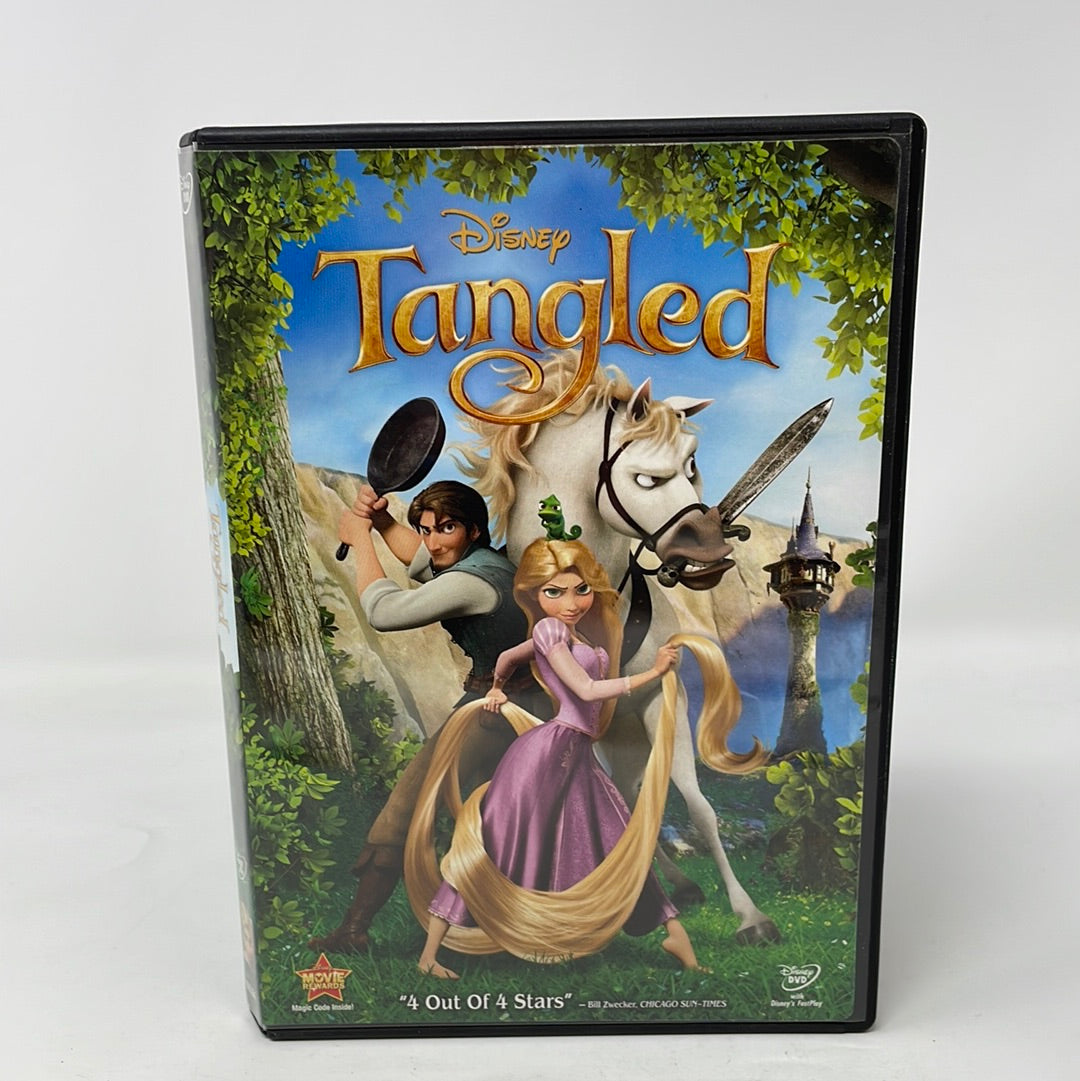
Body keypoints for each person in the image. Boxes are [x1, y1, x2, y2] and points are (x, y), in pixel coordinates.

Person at [410, 539, 708, 978]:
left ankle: (672, 933)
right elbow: (585, 691)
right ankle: (430, 954)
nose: (571, 603)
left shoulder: (571, 635)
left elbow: (508, 658)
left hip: (577, 756)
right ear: (535, 595)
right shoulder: (550, 631)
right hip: (545, 754)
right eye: (555, 592)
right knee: (499, 843)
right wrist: (652, 673)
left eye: (580, 590)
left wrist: (498, 686)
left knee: (616, 839)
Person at [309, 480, 546, 953]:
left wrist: (359, 540)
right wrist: (381, 522)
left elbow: (384, 611)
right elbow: (425, 561)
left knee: (407, 806)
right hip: (522, 707)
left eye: (446, 528)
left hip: (493, 713)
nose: (433, 541)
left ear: (473, 530)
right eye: (425, 528)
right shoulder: (485, 563)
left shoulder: (471, 583)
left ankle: (354, 929)